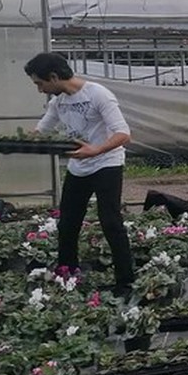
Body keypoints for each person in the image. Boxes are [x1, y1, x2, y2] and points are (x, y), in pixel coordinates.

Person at [24, 52, 136, 295]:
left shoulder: (98, 94)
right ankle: (67, 273)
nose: (39, 90)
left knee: (110, 222)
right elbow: (41, 131)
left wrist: (95, 150)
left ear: (53, 77)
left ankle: (125, 281)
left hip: (107, 163)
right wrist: (11, 141)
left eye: (40, 83)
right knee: (68, 223)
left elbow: (123, 134)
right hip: (79, 167)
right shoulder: (59, 102)